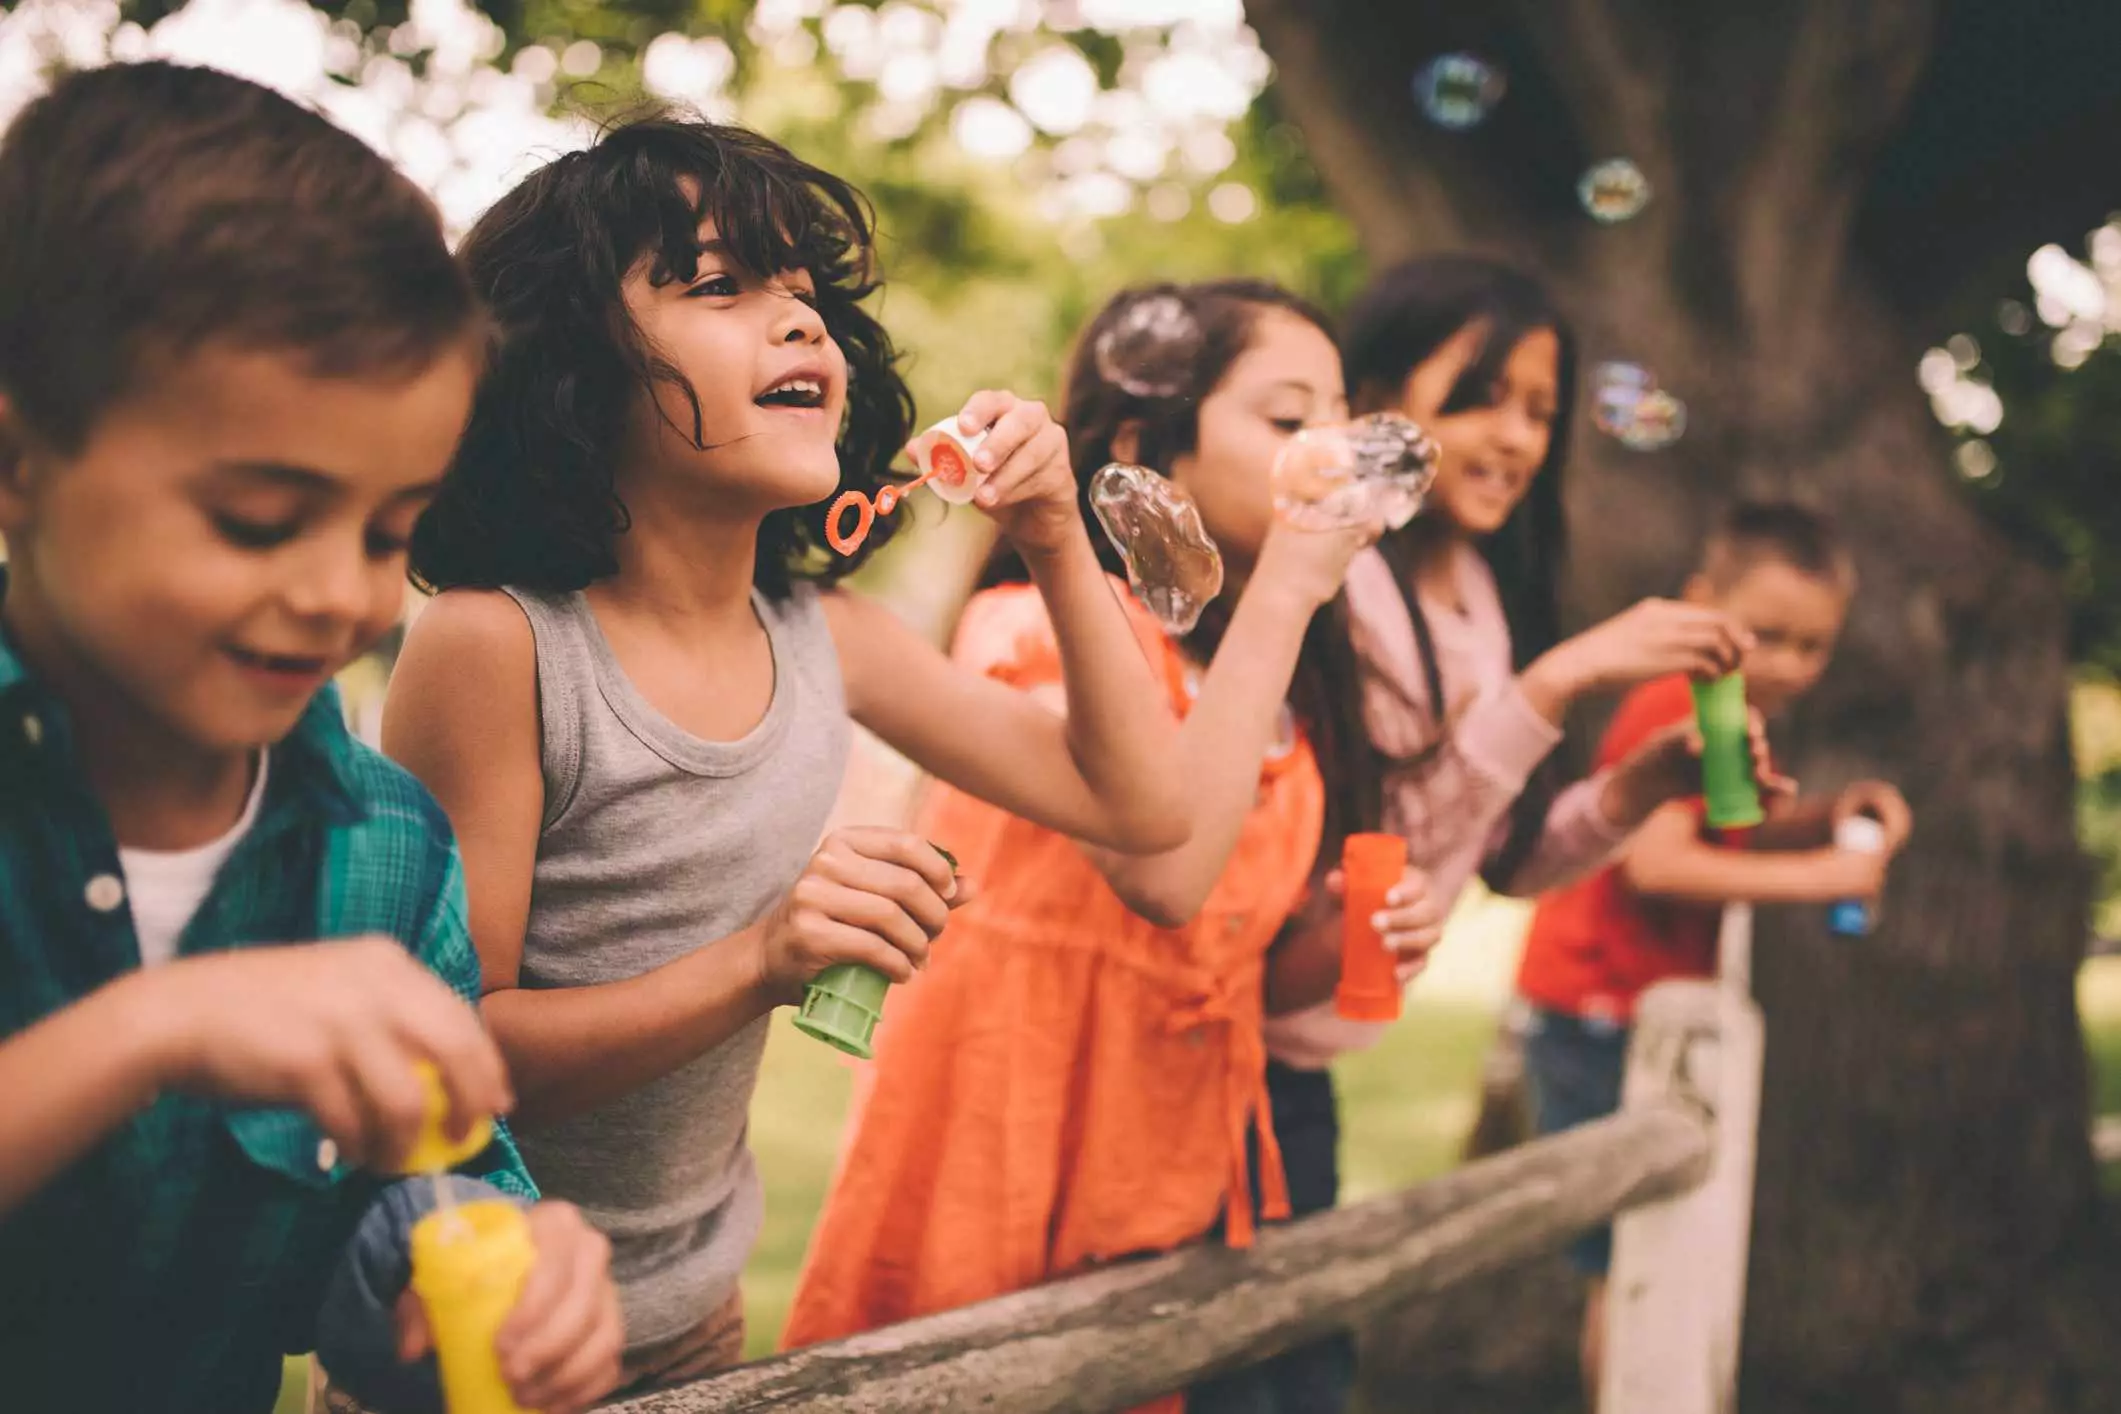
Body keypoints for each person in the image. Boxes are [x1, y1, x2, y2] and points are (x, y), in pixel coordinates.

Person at [382, 115, 1191, 1392]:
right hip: (486, 1325)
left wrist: (1050, 535)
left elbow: (1139, 805)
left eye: (807, 296)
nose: (801, 323)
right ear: (567, 369)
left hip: (699, 1322)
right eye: (718, 285)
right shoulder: (499, 648)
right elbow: (445, 1057)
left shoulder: (828, 637)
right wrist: (762, 959)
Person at [0, 62, 619, 1414]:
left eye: (390, 530)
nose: (344, 589)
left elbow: (417, 1198)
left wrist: (495, 1278)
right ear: (19, 464)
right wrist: (147, 1030)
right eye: (260, 520)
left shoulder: (387, 850)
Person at [780, 280, 1436, 1414]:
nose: (1330, 451)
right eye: (1289, 420)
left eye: (1341, 417)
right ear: (1143, 448)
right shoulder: (1036, 635)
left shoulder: (1271, 691)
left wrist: (1341, 939)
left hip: (1175, 1174)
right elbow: (1166, 878)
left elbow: (1228, 961)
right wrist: (1285, 591)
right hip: (1006, 1147)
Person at [1200, 255, 1759, 1414]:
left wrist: (1639, 785)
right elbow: (1378, 842)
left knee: (1298, 1368)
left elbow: (1497, 858)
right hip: (1227, 1054)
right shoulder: (1329, 584)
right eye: (1481, 397)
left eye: (1542, 412)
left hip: (1301, 1071)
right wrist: (1552, 686)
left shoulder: (1489, 592)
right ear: (1380, 403)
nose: (1515, 437)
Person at [1516, 499, 1910, 1405]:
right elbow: (1657, 864)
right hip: (1597, 1010)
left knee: (1658, 1253)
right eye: (1766, 634)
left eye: (1813, 647)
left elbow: (1724, 830)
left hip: (1644, 1014)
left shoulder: (1730, 704)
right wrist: (1826, 878)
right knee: (1629, 1265)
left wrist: (1822, 823)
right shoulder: (1678, 699)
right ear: (1700, 603)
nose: (1789, 664)